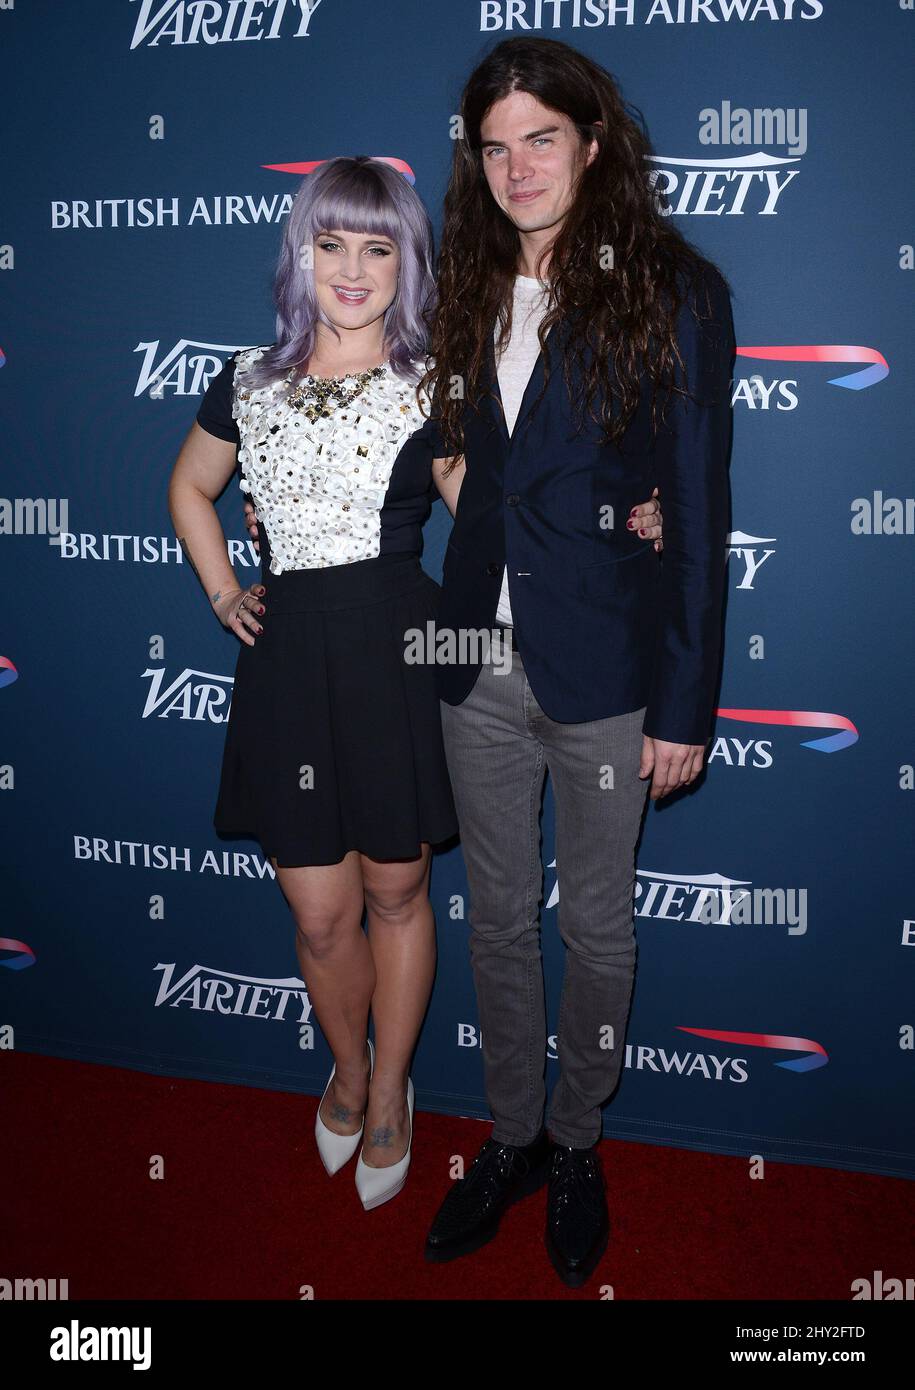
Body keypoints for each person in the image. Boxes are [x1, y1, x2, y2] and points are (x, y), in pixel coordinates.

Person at [171, 152, 669, 1214]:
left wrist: (632, 513)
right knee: (317, 915)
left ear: (409, 262)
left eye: (378, 246)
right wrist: (223, 589)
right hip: (288, 666)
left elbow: (496, 514)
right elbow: (189, 483)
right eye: (332, 242)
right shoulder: (249, 378)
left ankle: (390, 1088)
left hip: (405, 658)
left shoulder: (432, 382)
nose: (353, 267)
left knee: (398, 891)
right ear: (300, 253)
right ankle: (345, 1068)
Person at [412, 37, 736, 1288]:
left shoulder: (673, 287)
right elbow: (452, 443)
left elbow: (700, 507)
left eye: (540, 137)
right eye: (493, 146)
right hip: (475, 661)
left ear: (594, 144)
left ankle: (581, 1137)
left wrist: (684, 699)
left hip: (608, 673)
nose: (515, 165)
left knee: (596, 930)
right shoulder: (466, 283)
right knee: (497, 921)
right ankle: (510, 1134)